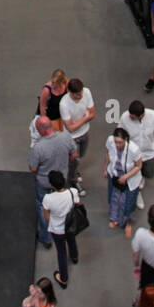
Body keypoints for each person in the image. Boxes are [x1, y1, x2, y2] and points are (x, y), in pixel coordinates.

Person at [29, 115, 76, 249]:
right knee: (64, 206)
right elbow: (74, 155)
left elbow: (33, 168)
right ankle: (64, 229)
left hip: (44, 184)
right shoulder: (66, 138)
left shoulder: (38, 147)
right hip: (62, 181)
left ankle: (46, 238)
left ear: (41, 130)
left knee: (42, 207)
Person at [42, 169, 80, 290]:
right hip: (70, 226)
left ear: (52, 185)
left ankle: (63, 278)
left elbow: (47, 218)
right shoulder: (72, 192)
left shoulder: (48, 199)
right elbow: (77, 204)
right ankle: (74, 257)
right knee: (72, 241)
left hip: (57, 230)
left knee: (61, 252)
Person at [104, 126, 143, 237]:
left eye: (120, 142)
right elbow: (107, 153)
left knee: (128, 202)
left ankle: (128, 224)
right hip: (115, 175)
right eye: (116, 142)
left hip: (129, 179)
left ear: (126, 139)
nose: (118, 145)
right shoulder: (110, 141)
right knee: (114, 198)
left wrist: (126, 177)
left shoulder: (133, 149)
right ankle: (114, 218)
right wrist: (105, 168)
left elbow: (139, 166)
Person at [59, 78, 95, 189]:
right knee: (74, 160)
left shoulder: (87, 92)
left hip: (84, 132)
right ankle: (72, 180)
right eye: (77, 95)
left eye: (81, 93)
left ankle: (74, 171)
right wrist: (85, 118)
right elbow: (70, 128)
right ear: (69, 91)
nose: (80, 96)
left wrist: (80, 121)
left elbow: (92, 114)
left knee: (81, 155)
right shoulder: (64, 104)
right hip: (72, 138)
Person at [119, 99, 154, 183]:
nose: (129, 117)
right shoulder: (124, 117)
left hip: (149, 153)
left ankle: (141, 176)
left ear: (140, 116)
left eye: (132, 117)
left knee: (150, 174)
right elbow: (120, 135)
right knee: (133, 177)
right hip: (132, 155)